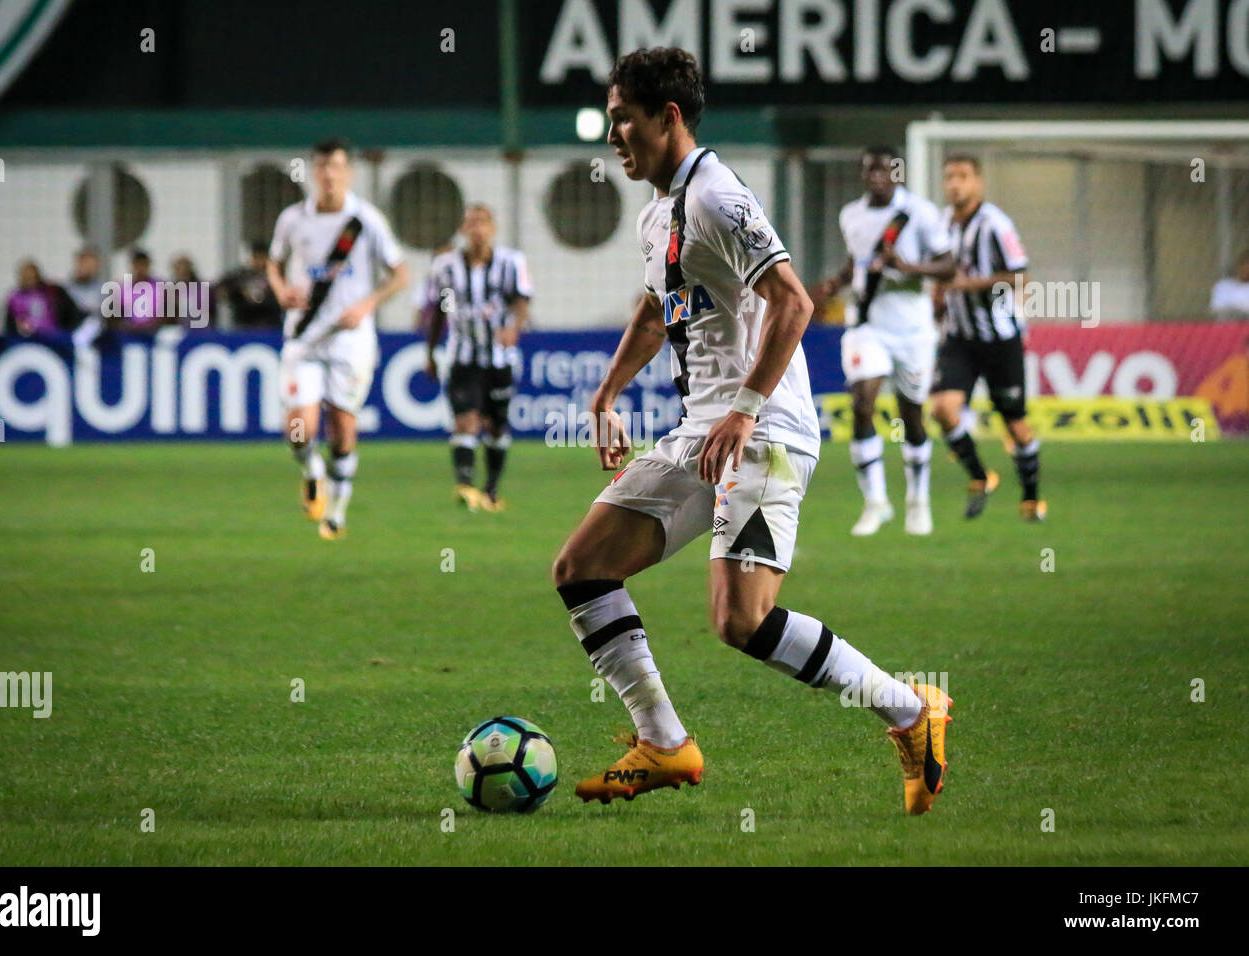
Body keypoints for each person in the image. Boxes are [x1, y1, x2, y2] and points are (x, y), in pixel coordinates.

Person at [551, 47, 951, 814]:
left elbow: (795, 302)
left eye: (622, 120)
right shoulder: (658, 211)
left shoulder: (717, 199)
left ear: (667, 118)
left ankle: (910, 711)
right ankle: (664, 742)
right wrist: (607, 392)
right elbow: (652, 306)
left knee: (740, 620)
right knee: (582, 567)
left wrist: (744, 408)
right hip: (704, 430)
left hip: (763, 429)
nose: (612, 137)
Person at [267, 138, 410, 540]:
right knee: (300, 427)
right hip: (303, 335)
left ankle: (336, 515)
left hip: (350, 341)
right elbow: (273, 266)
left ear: (347, 173)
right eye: (322, 167)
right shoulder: (293, 219)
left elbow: (400, 274)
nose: (329, 174)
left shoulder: (366, 220)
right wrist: (280, 290)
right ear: (314, 171)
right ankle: (311, 469)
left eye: (336, 167)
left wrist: (367, 304)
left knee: (343, 428)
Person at [812, 148, 954, 536]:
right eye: (870, 169)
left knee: (911, 414)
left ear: (898, 174)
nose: (877, 176)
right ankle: (875, 502)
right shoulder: (851, 215)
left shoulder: (921, 213)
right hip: (867, 324)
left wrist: (910, 268)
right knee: (862, 403)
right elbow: (857, 262)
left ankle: (917, 500)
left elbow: (949, 264)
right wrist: (833, 285)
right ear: (863, 174)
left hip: (912, 328)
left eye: (885, 170)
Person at [931, 155, 1045, 521]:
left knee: (1015, 424)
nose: (954, 184)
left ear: (978, 182)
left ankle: (1031, 498)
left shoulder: (995, 223)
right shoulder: (941, 224)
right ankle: (981, 476)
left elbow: (1019, 276)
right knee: (943, 410)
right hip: (959, 337)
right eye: (949, 177)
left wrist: (965, 284)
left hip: (1000, 338)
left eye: (962, 177)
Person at [422, 205, 531, 511]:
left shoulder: (511, 263)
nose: (477, 230)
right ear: (462, 230)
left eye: (482, 223)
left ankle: (491, 490)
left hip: (500, 359)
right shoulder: (446, 266)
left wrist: (513, 328)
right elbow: (439, 311)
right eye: (471, 224)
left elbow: (522, 301)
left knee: (496, 426)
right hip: (462, 357)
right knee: (466, 421)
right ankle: (465, 486)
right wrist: (430, 351)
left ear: (493, 228)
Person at [217, 242, 282, 329]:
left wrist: (264, 298)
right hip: (244, 323)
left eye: (262, 258)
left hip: (269, 324)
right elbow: (222, 287)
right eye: (256, 258)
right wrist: (240, 293)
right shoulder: (242, 276)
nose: (259, 262)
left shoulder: (275, 277)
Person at [4, 261, 62, 337]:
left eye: (32, 275)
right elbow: (9, 323)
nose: (29, 278)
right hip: (26, 338)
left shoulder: (49, 293)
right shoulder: (15, 297)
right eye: (26, 276)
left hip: (50, 337)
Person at [1210, 252, 1249, 319]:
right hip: (1225, 324)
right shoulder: (1223, 285)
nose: (1246, 270)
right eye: (1244, 266)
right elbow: (1217, 308)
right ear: (1239, 266)